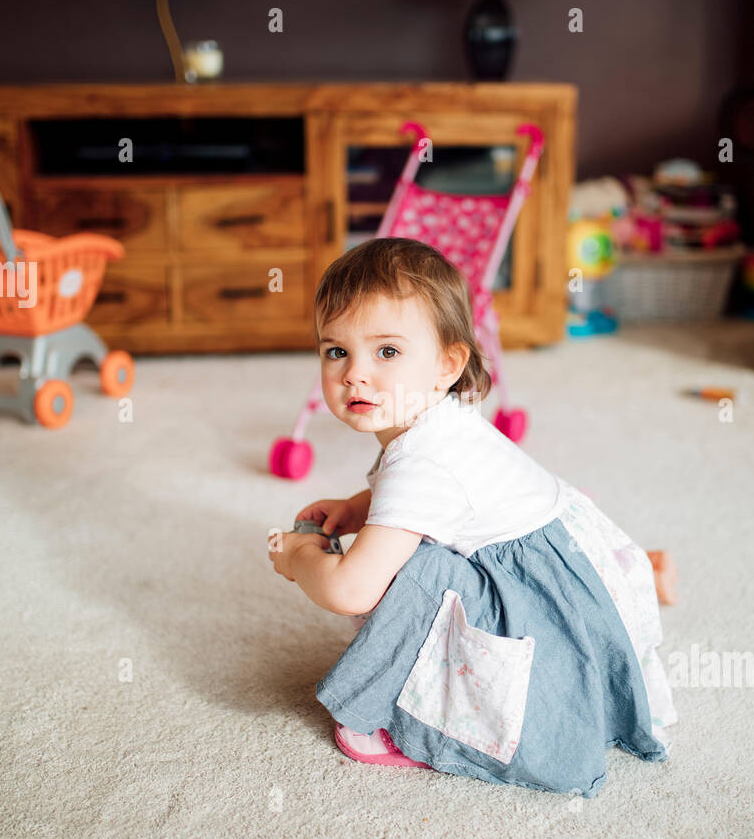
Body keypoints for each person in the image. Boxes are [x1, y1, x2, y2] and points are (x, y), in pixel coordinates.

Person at [268, 237, 678, 797]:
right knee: (408, 545)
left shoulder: (424, 462)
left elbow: (350, 591)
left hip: (544, 616)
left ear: (447, 363)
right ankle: (646, 574)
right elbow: (428, 498)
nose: (354, 374)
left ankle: (407, 721)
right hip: (573, 567)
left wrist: (299, 557)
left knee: (415, 573)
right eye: (336, 351)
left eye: (386, 352)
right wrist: (358, 509)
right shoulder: (441, 419)